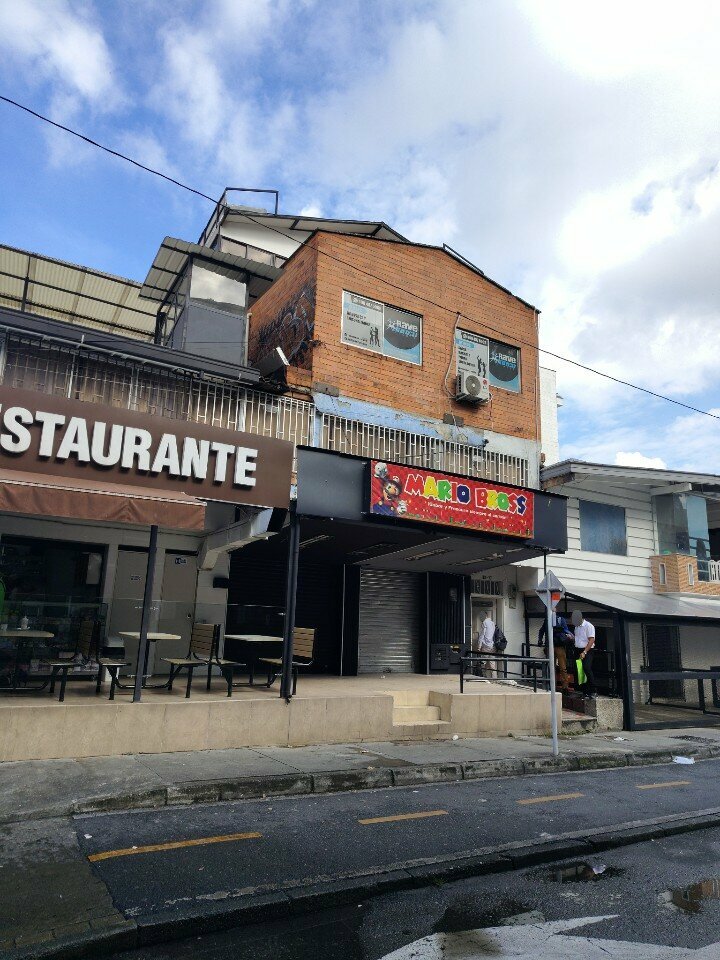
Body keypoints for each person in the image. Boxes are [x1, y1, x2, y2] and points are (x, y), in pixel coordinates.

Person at [538, 611, 574, 693]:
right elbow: (566, 630)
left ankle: (555, 686)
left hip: (553, 646)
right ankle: (563, 687)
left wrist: (540, 640)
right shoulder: (557, 620)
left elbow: (541, 631)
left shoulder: (555, 619)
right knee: (561, 668)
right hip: (557, 646)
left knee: (554, 667)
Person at [571, 609, 596, 699]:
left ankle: (593, 691)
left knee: (587, 668)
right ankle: (584, 691)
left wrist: (584, 652)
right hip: (578, 649)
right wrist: (572, 638)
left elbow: (591, 639)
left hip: (587, 650)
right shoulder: (576, 627)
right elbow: (579, 639)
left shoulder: (588, 626)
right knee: (579, 670)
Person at [478, 612, 496, 678]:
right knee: (492, 663)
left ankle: (484, 677)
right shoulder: (492, 623)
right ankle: (494, 678)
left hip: (485, 646)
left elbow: (482, 635)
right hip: (492, 646)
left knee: (483, 662)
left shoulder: (484, 623)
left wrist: (479, 646)